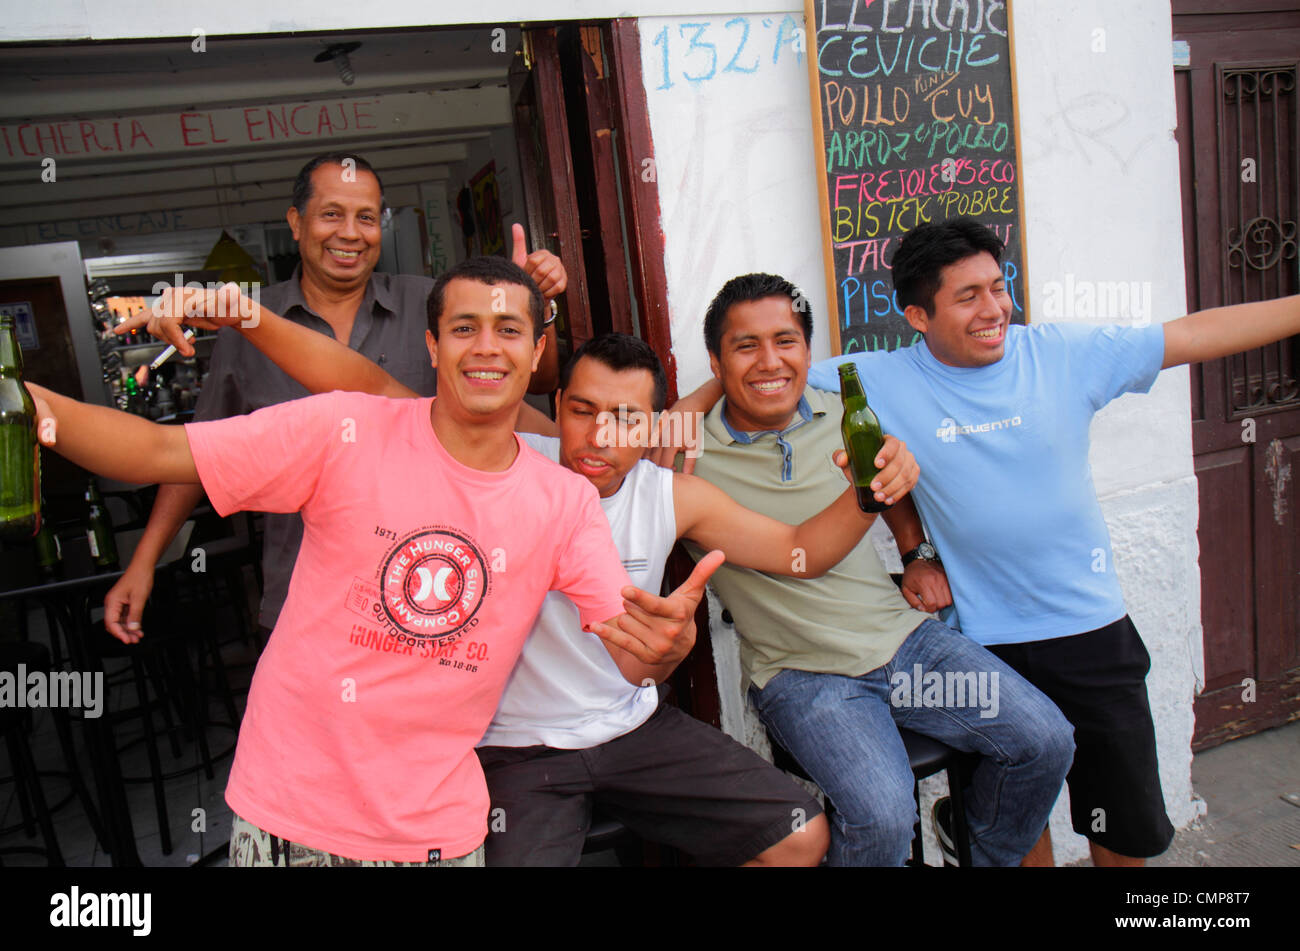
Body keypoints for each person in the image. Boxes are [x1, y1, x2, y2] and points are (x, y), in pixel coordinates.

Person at [113, 291, 919, 867]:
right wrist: (249, 313)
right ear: (552, 405)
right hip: (510, 751)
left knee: (799, 833)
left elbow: (795, 552)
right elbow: (360, 382)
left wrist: (869, 493)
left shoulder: (673, 493)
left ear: (658, 428)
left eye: (628, 421)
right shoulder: (510, 457)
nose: (598, 438)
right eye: (580, 411)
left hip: (630, 729)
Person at [27, 258, 719, 866]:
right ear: (432, 343)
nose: (487, 347)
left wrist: (669, 647)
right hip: (287, 805)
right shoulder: (344, 431)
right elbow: (154, 453)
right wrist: (24, 404)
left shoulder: (565, 500)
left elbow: (632, 657)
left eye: (509, 330)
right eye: (464, 327)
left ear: (537, 350)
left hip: (434, 827)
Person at [793, 217, 1300, 866]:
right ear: (918, 315)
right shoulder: (876, 380)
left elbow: (1193, 334)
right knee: (1012, 828)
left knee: (1121, 828)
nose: (994, 309)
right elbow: (764, 379)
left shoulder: (1062, 353)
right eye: (967, 296)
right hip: (982, 644)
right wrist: (917, 550)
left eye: (997, 288)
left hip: (1091, 631)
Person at [665, 272, 1077, 866]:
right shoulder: (684, 452)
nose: (769, 361)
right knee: (882, 817)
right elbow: (597, 443)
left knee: (1044, 740)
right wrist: (690, 402)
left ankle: (977, 850)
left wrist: (915, 553)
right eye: (745, 346)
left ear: (809, 351)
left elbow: (892, 482)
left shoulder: (844, 413)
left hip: (905, 645)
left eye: (786, 341)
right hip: (804, 675)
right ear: (715, 359)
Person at [102, 150, 563, 644]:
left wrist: (534, 307)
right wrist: (145, 561)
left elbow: (531, 387)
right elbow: (196, 456)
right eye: (331, 214)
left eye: (366, 217)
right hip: (305, 603)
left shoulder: (433, 305)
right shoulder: (248, 326)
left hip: (437, 593)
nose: (350, 233)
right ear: (296, 223)